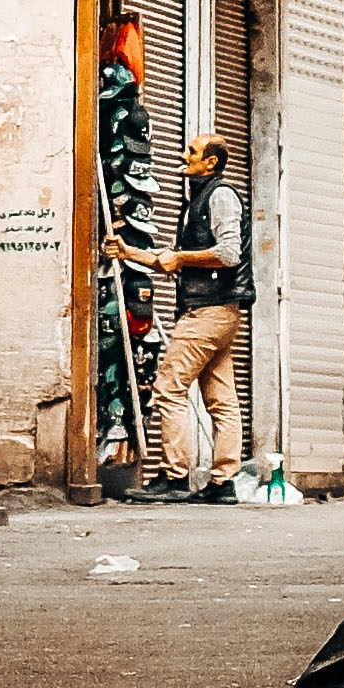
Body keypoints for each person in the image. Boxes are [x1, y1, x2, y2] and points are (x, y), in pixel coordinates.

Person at [142, 129, 252, 494]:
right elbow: (177, 262)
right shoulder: (199, 199)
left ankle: (174, 476)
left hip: (207, 312)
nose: (185, 154)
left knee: (169, 389)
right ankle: (223, 483)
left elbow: (228, 253)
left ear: (210, 162)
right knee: (221, 399)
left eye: (193, 151)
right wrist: (128, 252)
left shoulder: (219, 195)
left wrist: (182, 257)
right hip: (218, 312)